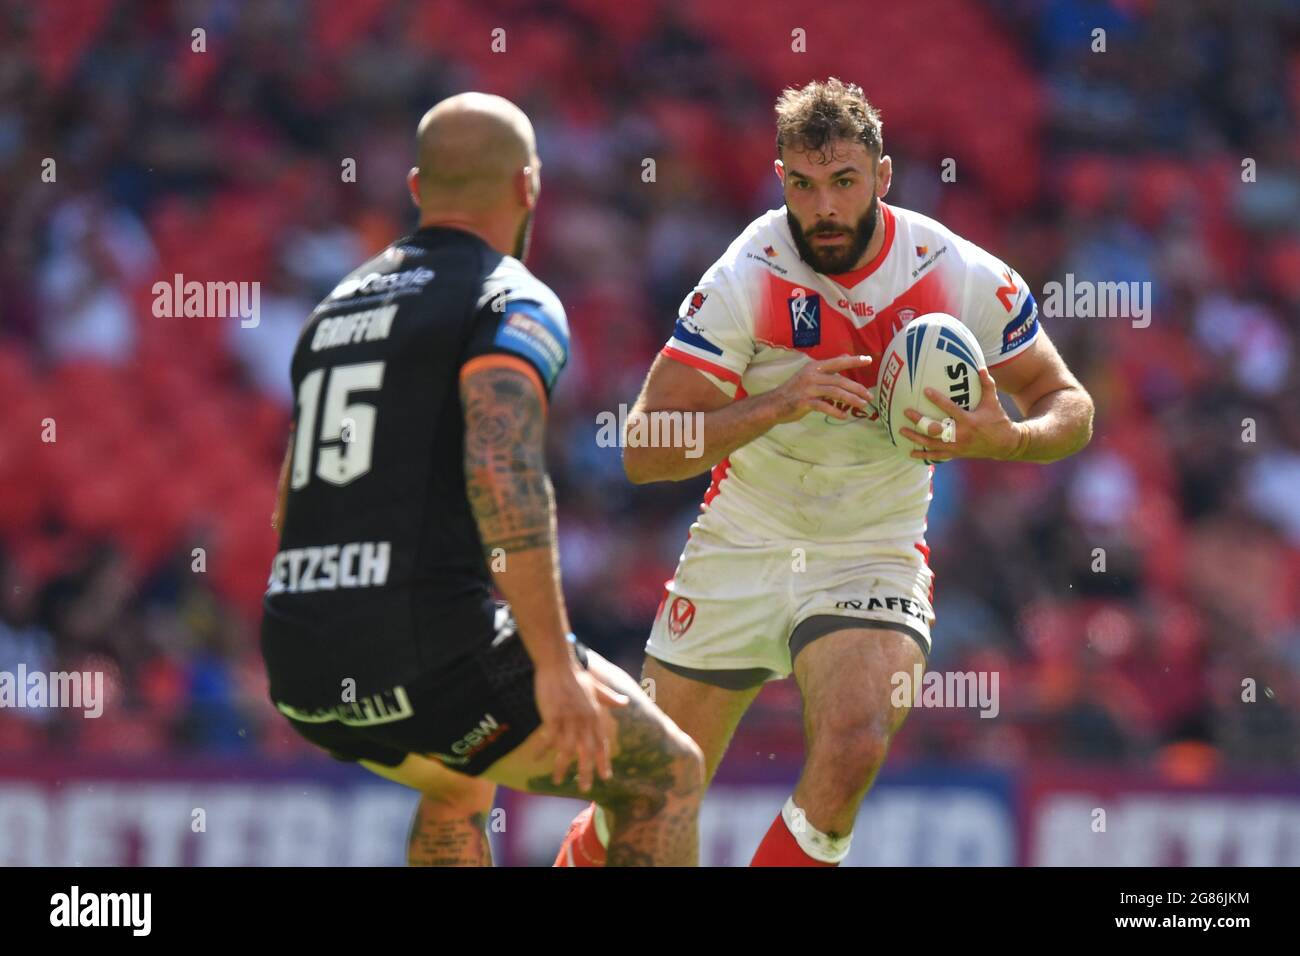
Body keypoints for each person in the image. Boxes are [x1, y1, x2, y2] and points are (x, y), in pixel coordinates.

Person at [555, 78, 1094, 866]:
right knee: (640, 803)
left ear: (881, 177)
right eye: (804, 186)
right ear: (782, 181)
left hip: (872, 550)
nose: (826, 208)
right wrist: (771, 406)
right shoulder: (747, 274)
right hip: (744, 540)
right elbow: (643, 445)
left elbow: (1068, 403)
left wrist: (1005, 439)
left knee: (856, 742)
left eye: (844, 183)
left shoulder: (956, 272)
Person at [261, 92, 703, 866]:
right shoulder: (510, 296)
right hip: (425, 655)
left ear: (415, 189)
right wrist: (556, 667)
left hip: (302, 668)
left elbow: (288, 507)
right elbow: (503, 471)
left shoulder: (333, 309)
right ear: (529, 186)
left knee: (461, 781)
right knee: (662, 775)